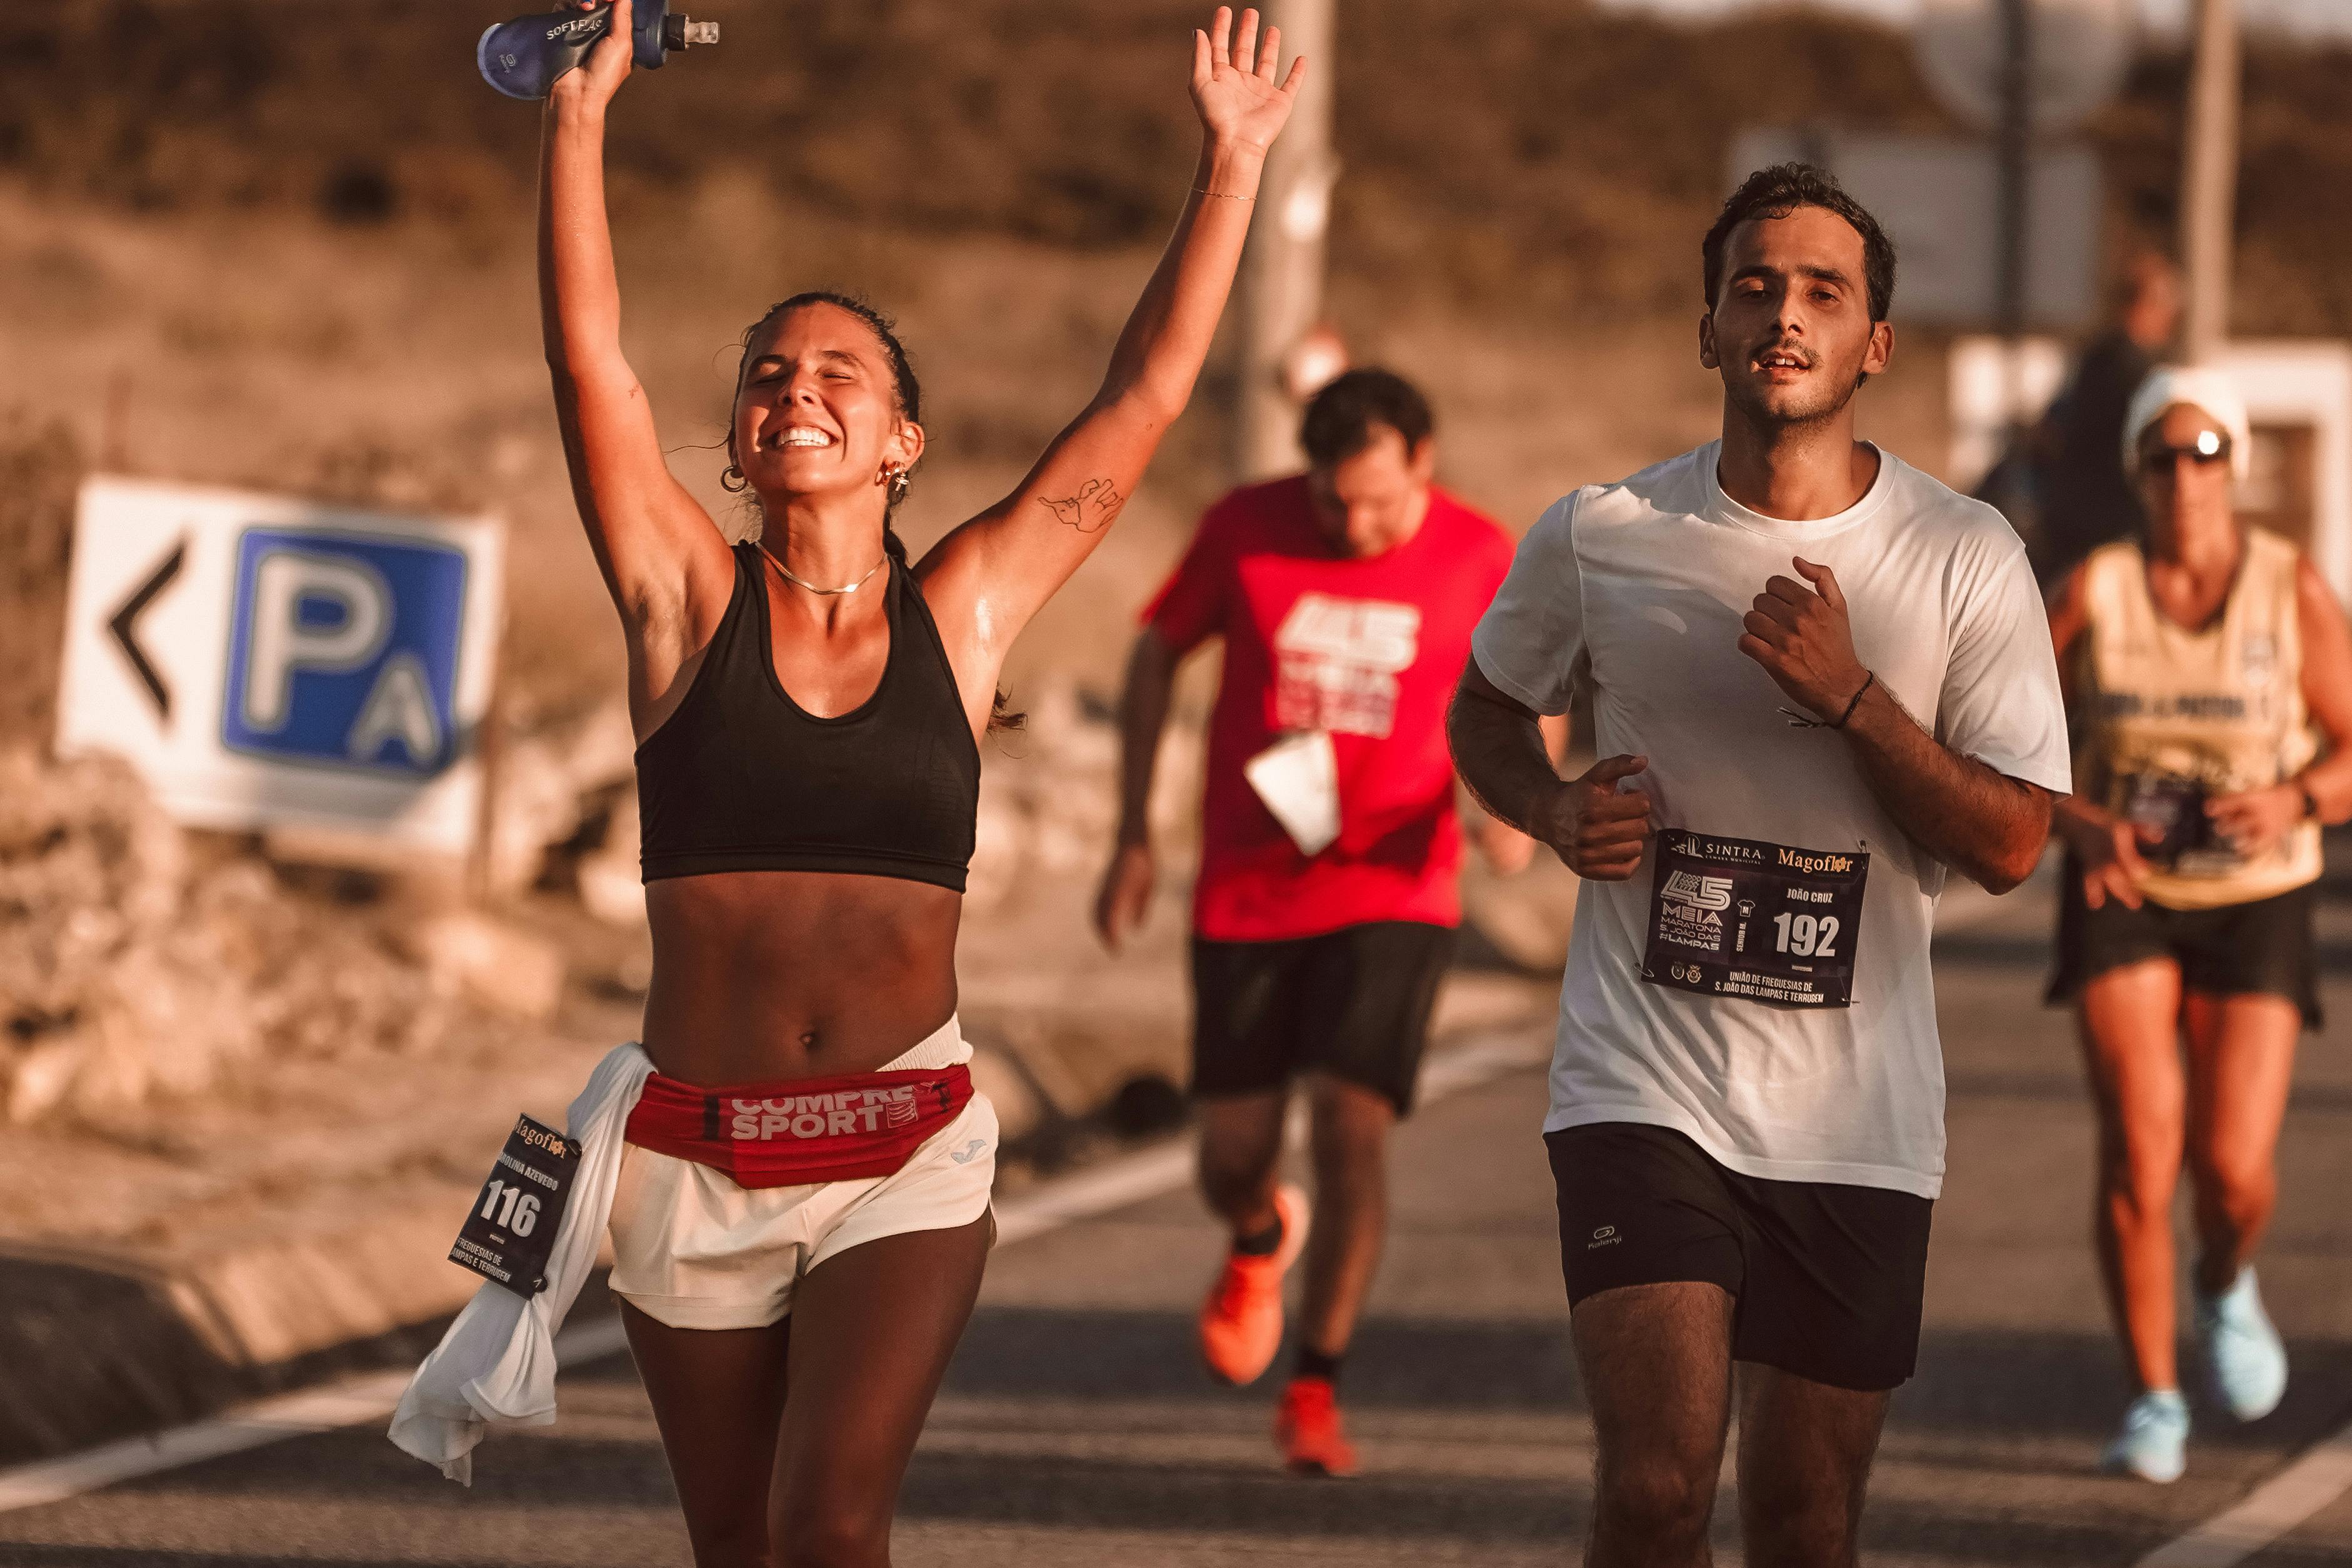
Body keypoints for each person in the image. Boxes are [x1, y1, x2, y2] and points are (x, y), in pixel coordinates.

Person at [538, 5, 1302, 1562]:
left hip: (898, 1148)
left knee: (829, 1525)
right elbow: (590, 366)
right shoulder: (684, 599)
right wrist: (575, 119)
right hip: (695, 1152)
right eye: (768, 371)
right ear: (742, 442)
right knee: (743, 1545)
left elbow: (1140, 402)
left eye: (838, 371)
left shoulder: (961, 612)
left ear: (905, 440)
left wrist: (1229, 164)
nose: (795, 386)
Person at [1448, 164, 2073, 1566]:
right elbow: (1485, 704)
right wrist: (1549, 812)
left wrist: (1855, 699)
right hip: (1643, 1082)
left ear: (1876, 345)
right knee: (1658, 1492)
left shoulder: (1962, 556)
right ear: (1710, 328)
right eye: (1754, 286)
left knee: (1804, 1523)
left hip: (1859, 1115)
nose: (1783, 314)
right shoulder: (1604, 533)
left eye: (1822, 292)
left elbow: (2014, 842)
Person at [1093, 368, 1533, 1476]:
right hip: (1248, 881)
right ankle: (1255, 1233)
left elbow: (1533, 677)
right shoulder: (1244, 527)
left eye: (1378, 503)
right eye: (1334, 502)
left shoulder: (1483, 553)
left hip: (1395, 883)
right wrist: (1132, 830)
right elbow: (1154, 652)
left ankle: (1313, 1385)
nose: (1353, 524)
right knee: (1230, 1155)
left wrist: (1518, 797)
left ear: (1422, 464)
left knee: (1351, 1121)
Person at [2044, 366, 2352, 1484]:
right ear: (2135, 471)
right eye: (2162, 456)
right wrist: (2077, 822)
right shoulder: (2097, 586)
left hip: (2256, 893)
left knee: (2229, 1166)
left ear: (2236, 466)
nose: (2185, 476)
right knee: (2139, 1149)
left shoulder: (2291, 589)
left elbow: (2351, 746)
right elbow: (1992, 720)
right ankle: (2153, 1395)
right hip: (2123, 890)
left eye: (2205, 453)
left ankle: (2223, 1278)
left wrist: (2294, 798)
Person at [2029, 254, 2184, 583]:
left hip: (2067, 530)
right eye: (2168, 305)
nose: (2171, 319)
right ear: (2149, 304)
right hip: (2113, 538)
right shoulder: (2140, 379)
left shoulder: (2092, 361)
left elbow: (2050, 435)